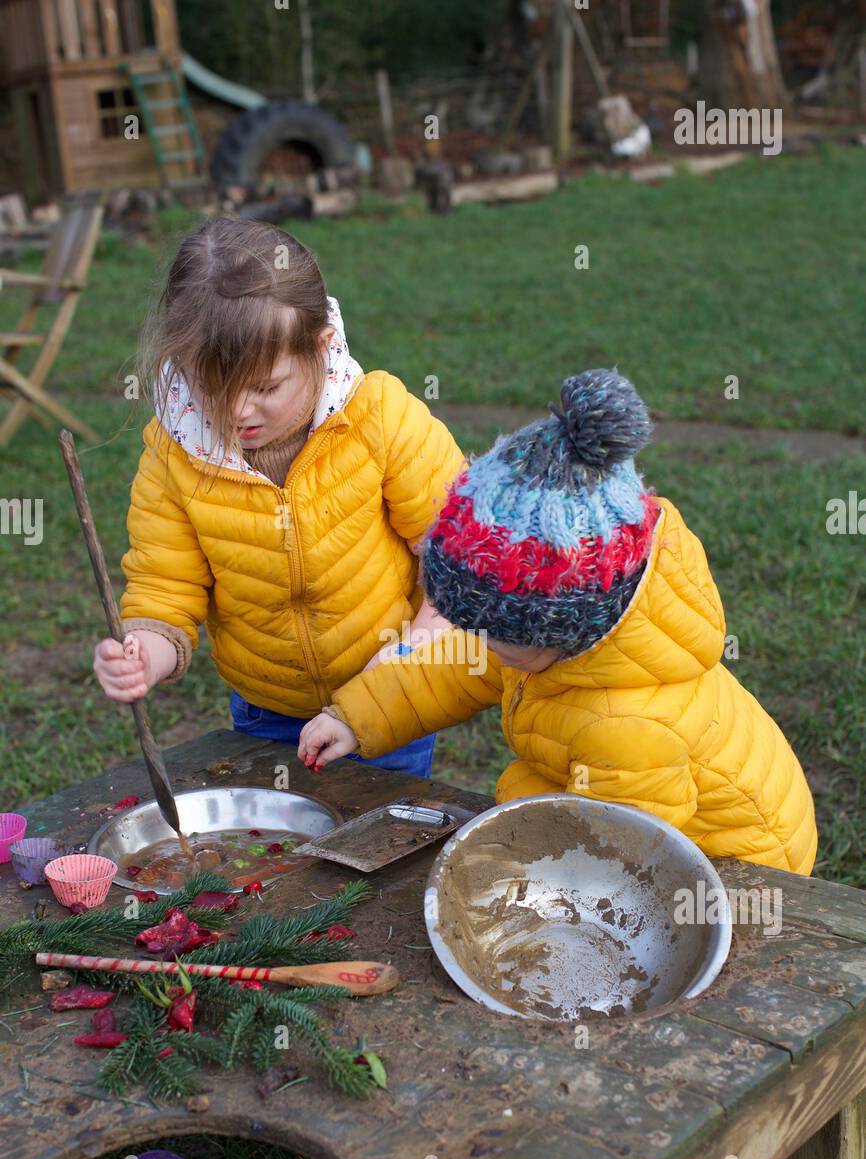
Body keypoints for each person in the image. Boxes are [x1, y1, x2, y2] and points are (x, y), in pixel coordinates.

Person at [299, 368, 818, 876]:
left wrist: (514, 853)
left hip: (737, 867)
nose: (475, 640)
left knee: (524, 804)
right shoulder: (537, 641)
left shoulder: (628, 726)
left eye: (489, 630)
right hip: (642, 808)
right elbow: (453, 669)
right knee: (522, 794)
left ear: (563, 628)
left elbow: (623, 853)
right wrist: (358, 715)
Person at [92, 218, 460, 777]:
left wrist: (420, 645)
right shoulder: (175, 454)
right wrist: (144, 652)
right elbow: (165, 587)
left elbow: (456, 544)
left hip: (389, 695)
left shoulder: (378, 417)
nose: (238, 411)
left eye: (265, 388)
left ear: (320, 346)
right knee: (283, 846)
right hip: (267, 710)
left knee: (384, 844)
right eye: (211, 387)